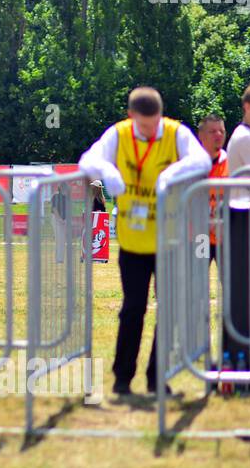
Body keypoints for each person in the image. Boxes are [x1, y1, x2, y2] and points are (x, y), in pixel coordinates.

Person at [79, 87, 211, 396]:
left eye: (155, 125)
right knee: (132, 309)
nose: (150, 131)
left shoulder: (176, 133)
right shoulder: (119, 133)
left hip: (170, 240)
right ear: (131, 116)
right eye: (144, 125)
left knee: (168, 311)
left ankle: (157, 378)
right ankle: (122, 378)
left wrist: (171, 174)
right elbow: (89, 160)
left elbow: (201, 161)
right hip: (133, 241)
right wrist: (107, 172)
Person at [197, 113, 229, 261]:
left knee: (230, 282)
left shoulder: (232, 164)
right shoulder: (191, 165)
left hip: (225, 235)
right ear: (201, 135)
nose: (218, 135)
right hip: (200, 236)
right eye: (212, 131)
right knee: (197, 280)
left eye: (221, 131)